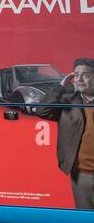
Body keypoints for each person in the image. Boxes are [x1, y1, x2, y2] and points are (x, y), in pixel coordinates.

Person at [31, 58, 94, 210]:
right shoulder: (67, 101)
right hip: (82, 174)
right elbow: (42, 111)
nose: (79, 79)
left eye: (85, 74)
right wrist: (61, 86)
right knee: (85, 219)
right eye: (76, 74)